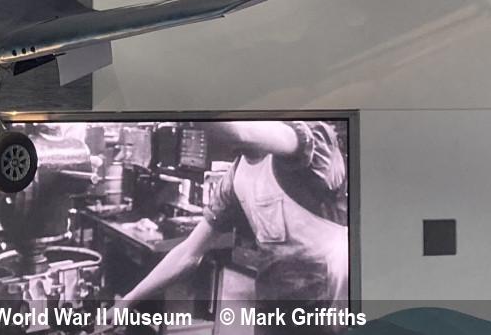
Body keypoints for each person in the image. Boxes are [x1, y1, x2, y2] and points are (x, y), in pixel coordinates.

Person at [109, 121, 349, 333]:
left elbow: (241, 132)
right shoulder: (237, 176)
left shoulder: (311, 143)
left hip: (329, 314)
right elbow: (188, 253)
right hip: (273, 312)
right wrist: (127, 302)